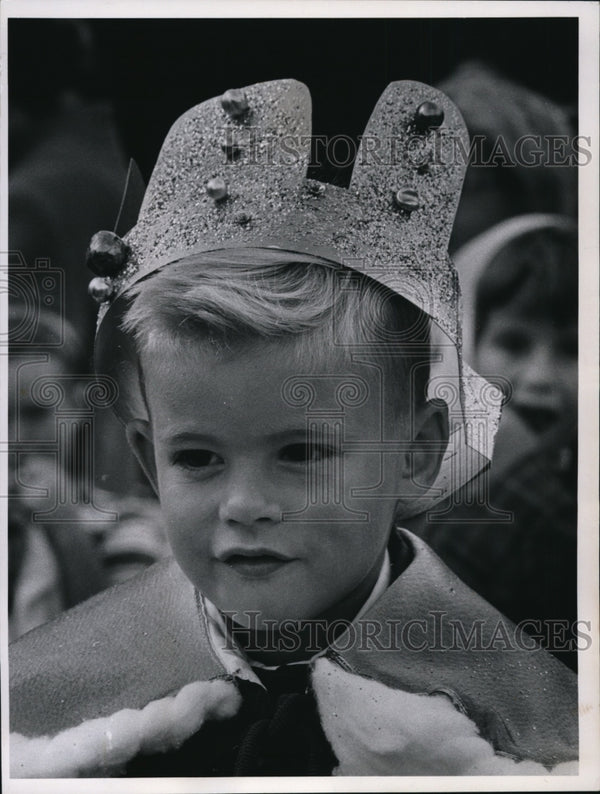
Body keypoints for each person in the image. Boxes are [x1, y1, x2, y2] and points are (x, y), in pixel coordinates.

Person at [9, 80, 577, 778]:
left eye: (302, 452)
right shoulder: (43, 718)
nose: (245, 504)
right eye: (197, 458)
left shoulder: (531, 737)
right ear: (147, 462)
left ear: (417, 453)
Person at [416, 215, 578, 670]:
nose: (540, 378)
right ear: (464, 339)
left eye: (573, 350)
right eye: (513, 342)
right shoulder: (414, 468)